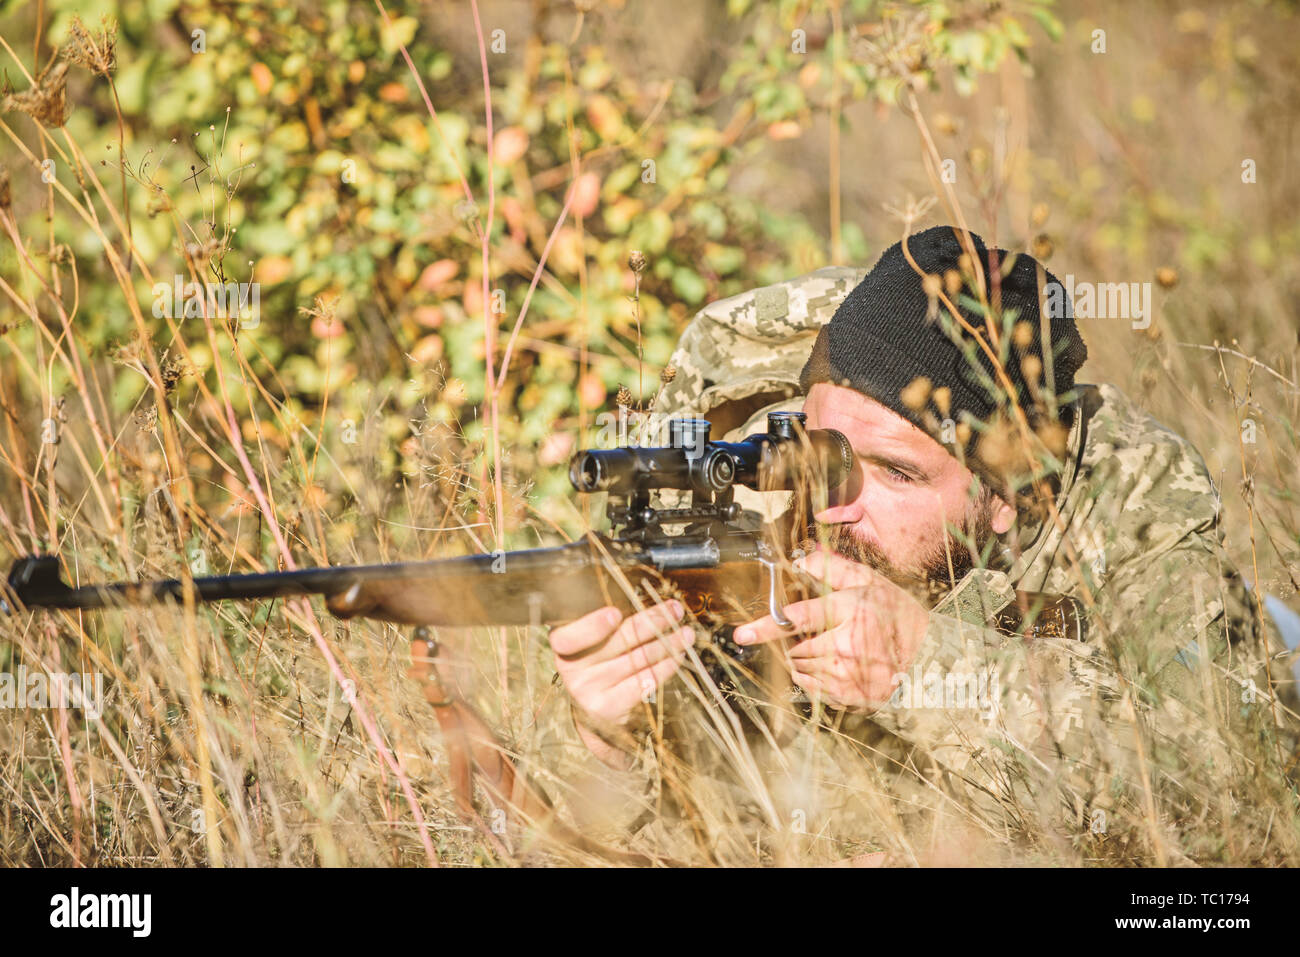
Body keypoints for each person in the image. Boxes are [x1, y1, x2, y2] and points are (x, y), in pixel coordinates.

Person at [535, 225, 1299, 865]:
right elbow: (703, 816)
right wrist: (613, 741)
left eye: (896, 474)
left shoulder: (1131, 508)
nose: (835, 506)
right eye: (822, 451)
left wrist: (925, 670)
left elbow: (1222, 793)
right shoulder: (748, 479)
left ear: (1010, 496)